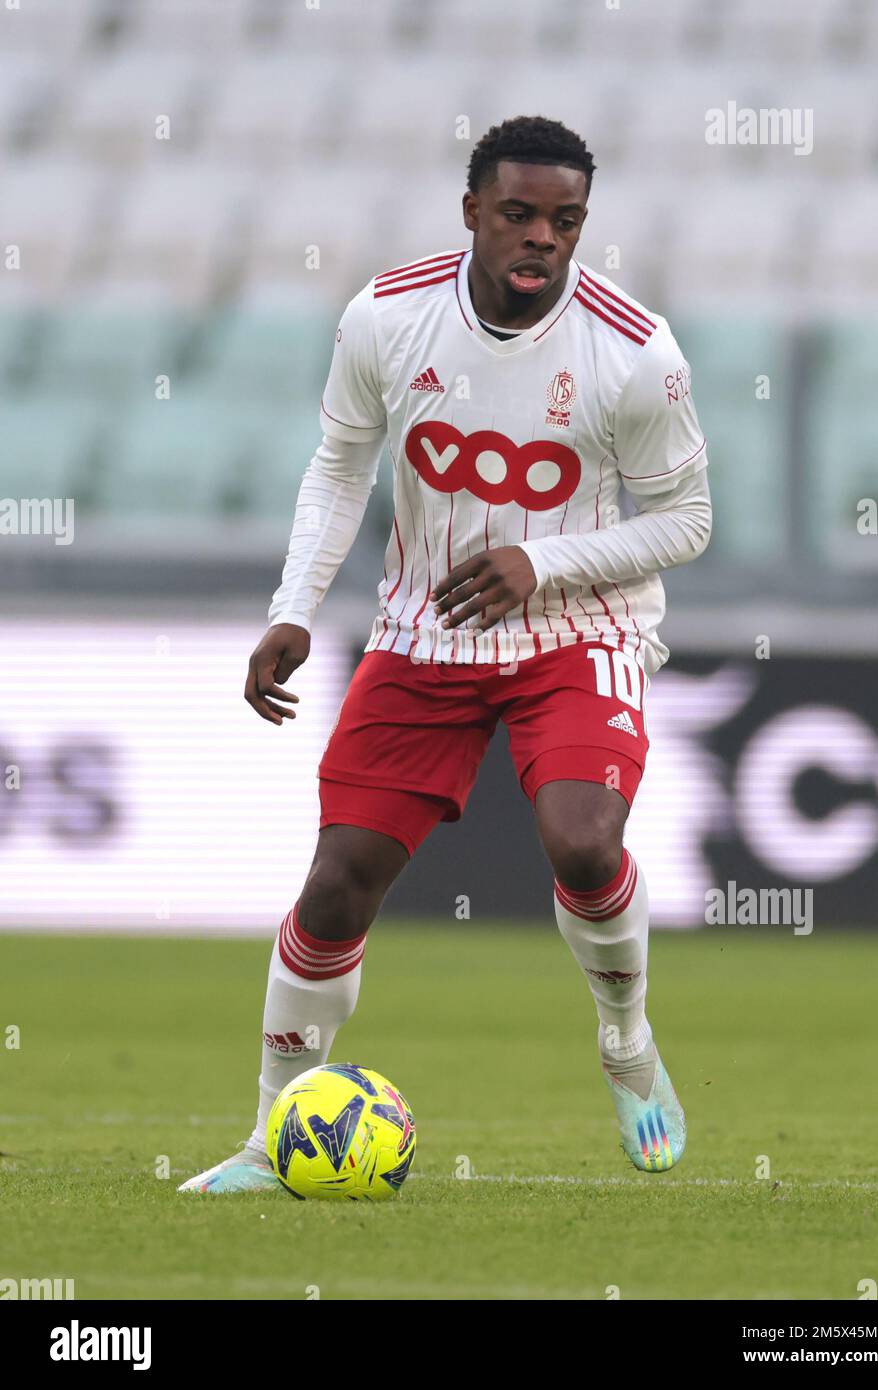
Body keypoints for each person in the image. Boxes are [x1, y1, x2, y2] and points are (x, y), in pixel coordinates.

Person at [180, 115, 712, 1193]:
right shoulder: (387, 316)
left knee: (580, 839)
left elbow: (689, 519)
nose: (540, 240)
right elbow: (338, 468)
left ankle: (624, 1039)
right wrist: (293, 607)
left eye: (564, 222)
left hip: (579, 624)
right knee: (336, 887)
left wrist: (544, 565)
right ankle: (266, 1138)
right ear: (472, 211)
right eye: (517, 215)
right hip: (428, 626)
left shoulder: (634, 351)